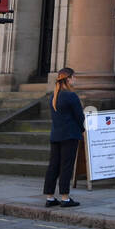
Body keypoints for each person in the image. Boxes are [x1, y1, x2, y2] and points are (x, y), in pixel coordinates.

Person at [43, 67, 85, 208]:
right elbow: (80, 117)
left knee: (53, 166)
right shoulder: (71, 96)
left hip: (56, 135)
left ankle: (50, 197)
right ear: (68, 79)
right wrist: (83, 129)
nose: (75, 80)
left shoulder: (54, 96)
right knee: (66, 166)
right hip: (69, 135)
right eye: (74, 77)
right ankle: (65, 198)